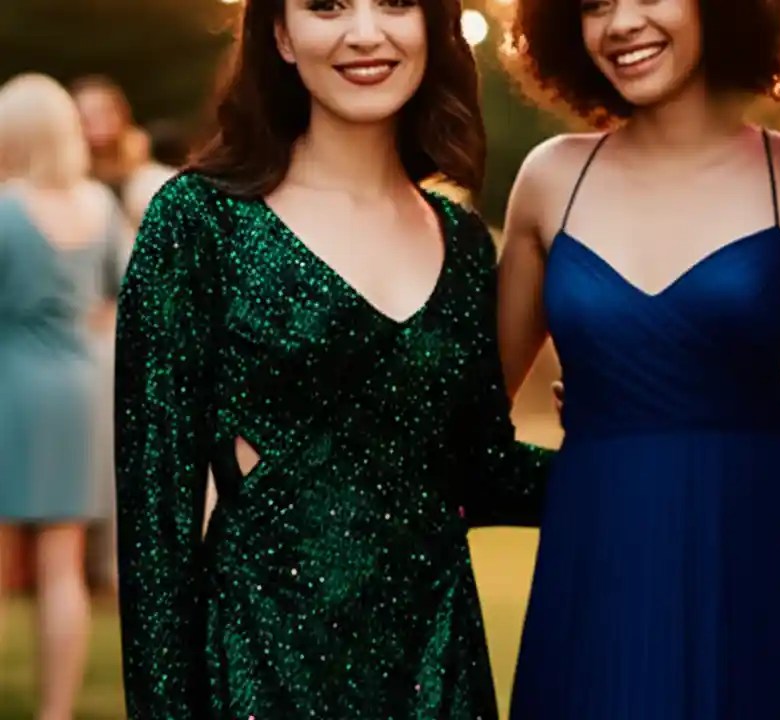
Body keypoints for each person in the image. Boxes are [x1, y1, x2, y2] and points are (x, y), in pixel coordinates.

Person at [113, 0, 552, 717]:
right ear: (281, 35)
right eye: (326, 5)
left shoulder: (465, 243)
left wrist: (645, 443)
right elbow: (154, 530)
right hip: (262, 674)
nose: (365, 33)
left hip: (436, 675)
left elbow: (481, 471)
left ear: (432, 27)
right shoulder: (199, 224)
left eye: (396, 3)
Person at [498, 0, 780, 716]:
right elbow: (464, 411)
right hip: (596, 563)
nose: (622, 23)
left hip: (765, 563)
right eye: (595, 5)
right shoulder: (550, 179)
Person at [0, 72, 124, 720]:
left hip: (11, 384)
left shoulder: (4, 209)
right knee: (62, 566)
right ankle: (56, 711)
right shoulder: (99, 205)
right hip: (79, 394)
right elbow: (122, 296)